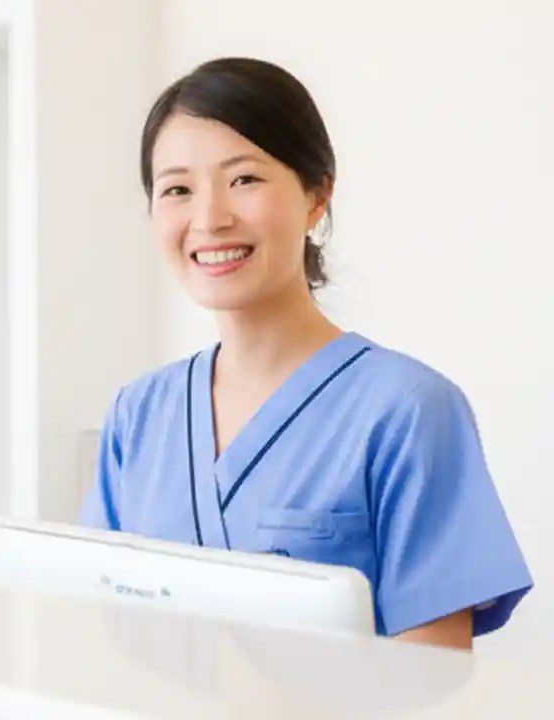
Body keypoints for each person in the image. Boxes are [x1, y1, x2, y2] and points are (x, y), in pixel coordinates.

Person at [78, 57, 531, 651]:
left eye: (244, 179)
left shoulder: (410, 411)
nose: (210, 218)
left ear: (317, 195)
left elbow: (433, 689)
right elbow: (92, 627)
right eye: (178, 190)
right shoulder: (138, 414)